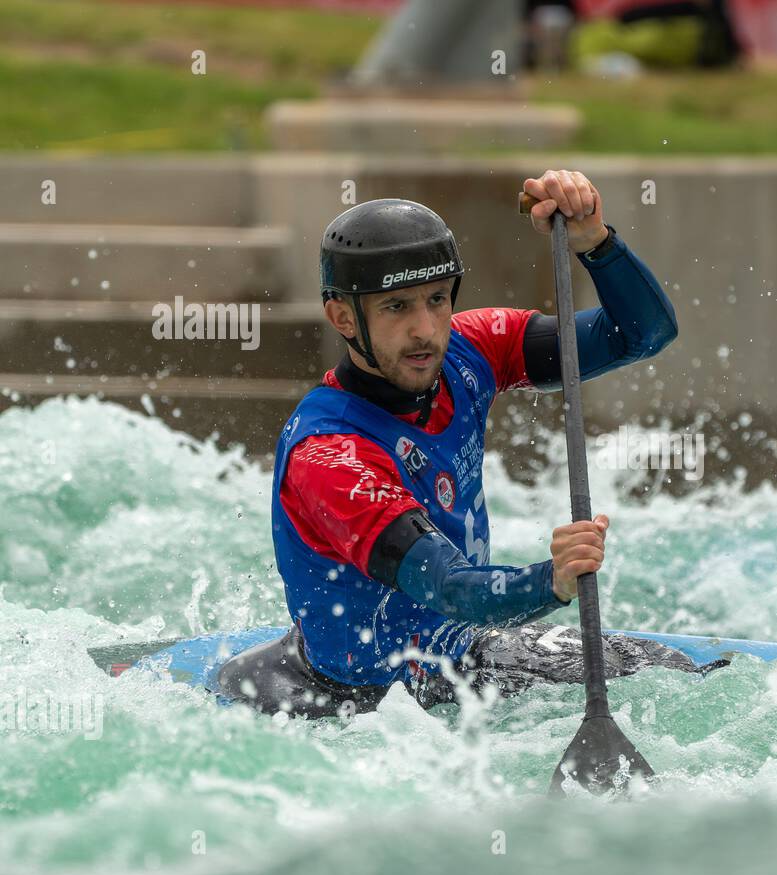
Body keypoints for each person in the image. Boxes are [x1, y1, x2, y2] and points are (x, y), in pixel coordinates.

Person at [217, 170, 701, 718]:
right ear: (343, 318)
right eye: (396, 307)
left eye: (437, 299)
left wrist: (595, 241)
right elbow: (446, 587)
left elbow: (643, 335)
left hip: (456, 661)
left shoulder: (471, 351)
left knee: (674, 677)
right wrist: (554, 581)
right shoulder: (330, 455)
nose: (426, 329)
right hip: (358, 711)